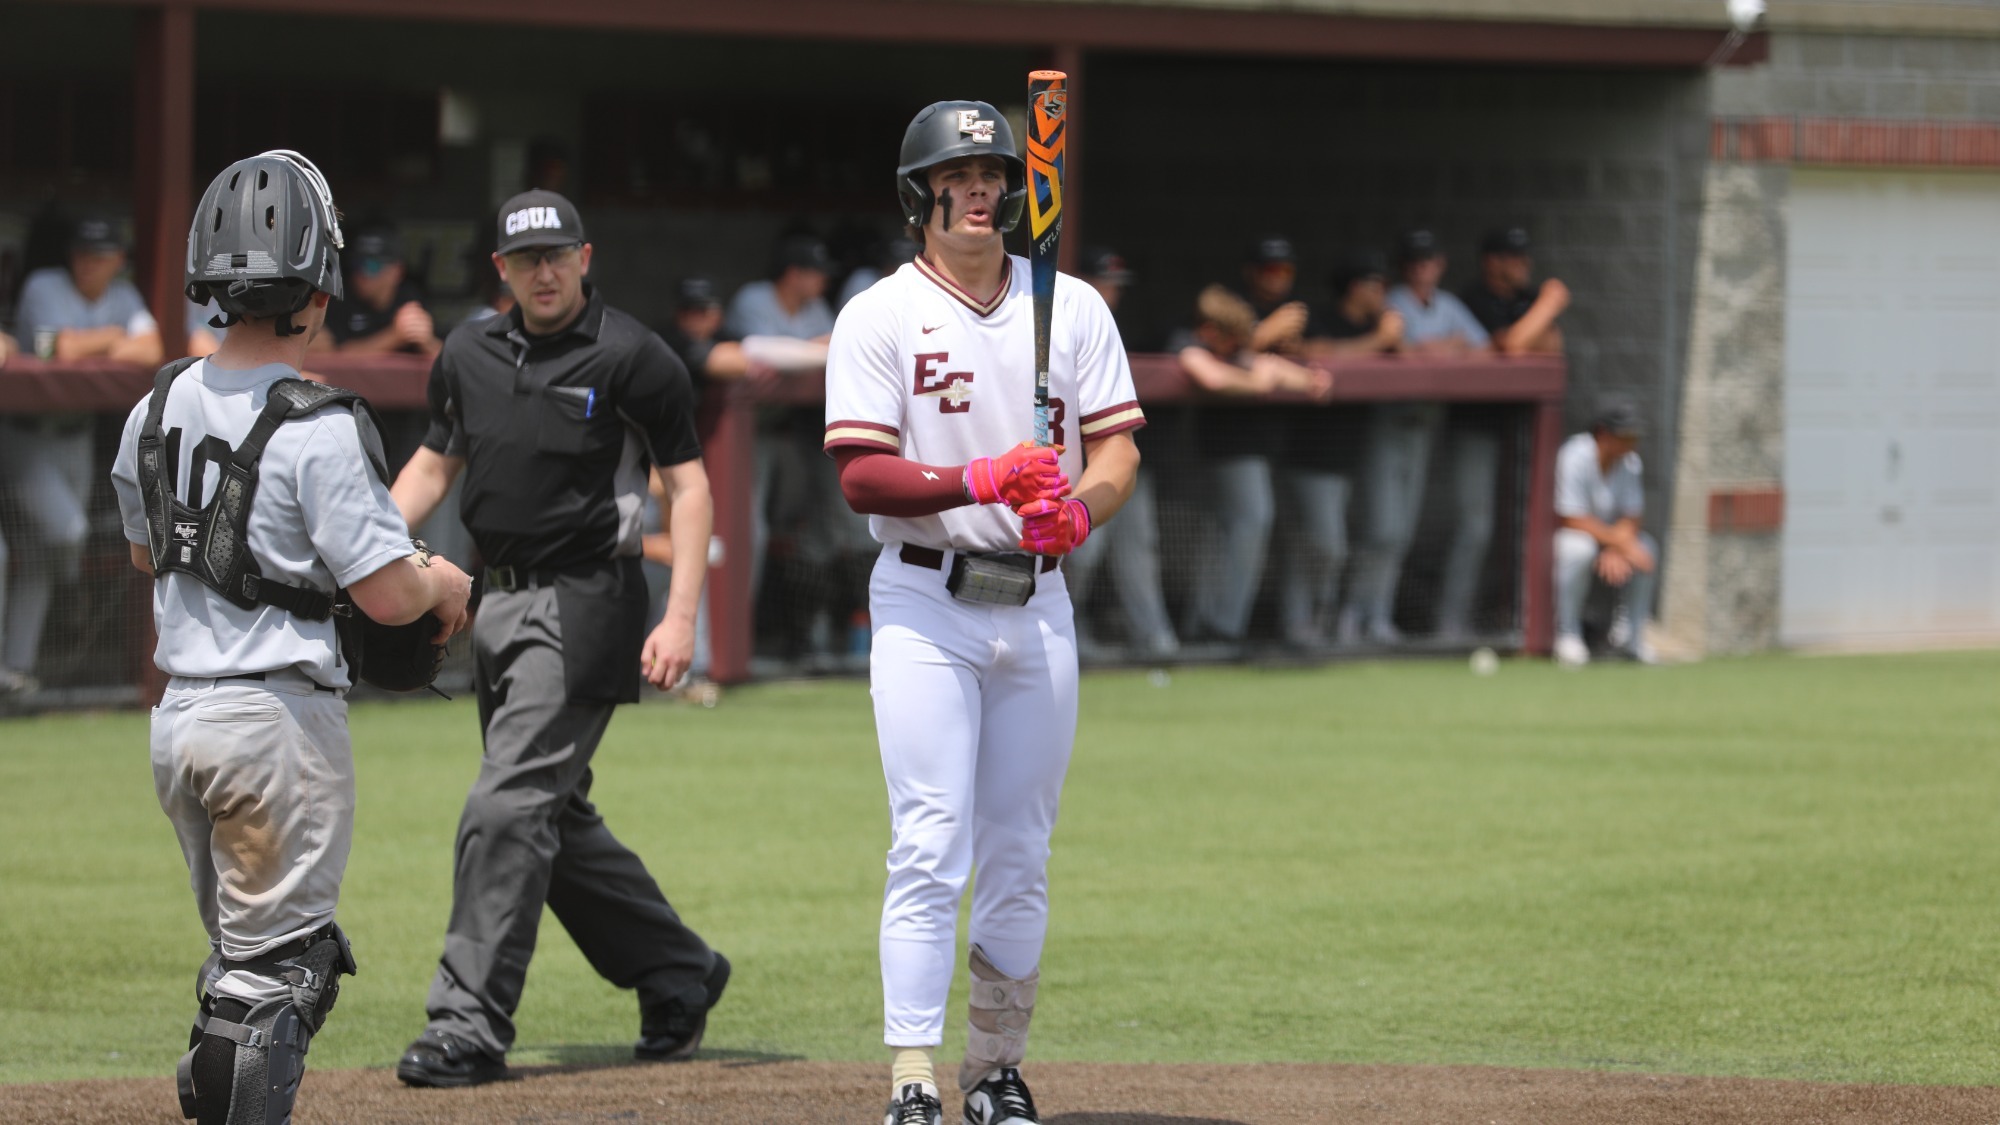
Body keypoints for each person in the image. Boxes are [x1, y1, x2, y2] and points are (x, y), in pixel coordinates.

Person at [109, 149, 473, 1125]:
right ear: (321, 288)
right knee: (283, 975)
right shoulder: (319, 424)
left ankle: (212, 1078)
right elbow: (390, 596)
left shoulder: (153, 407)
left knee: (244, 963)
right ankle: (229, 1088)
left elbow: (152, 562)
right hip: (274, 722)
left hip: (178, 720)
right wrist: (446, 579)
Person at [824, 99, 1144, 1125]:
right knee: (929, 839)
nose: (978, 188)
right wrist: (985, 478)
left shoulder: (1075, 307)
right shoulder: (877, 313)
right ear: (918, 194)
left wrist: (1077, 515)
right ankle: (911, 1076)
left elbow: (1119, 451)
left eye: (992, 173)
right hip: (924, 603)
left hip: (1037, 606)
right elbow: (862, 478)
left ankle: (995, 1068)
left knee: (1020, 846)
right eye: (955, 175)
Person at [388, 189, 727, 1086]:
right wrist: (371, 553)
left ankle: (466, 1022)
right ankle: (676, 968)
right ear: (500, 268)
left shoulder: (634, 357)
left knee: (504, 809)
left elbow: (687, 490)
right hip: (495, 607)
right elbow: (433, 463)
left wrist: (682, 612)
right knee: (553, 818)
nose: (544, 271)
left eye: (558, 255)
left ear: (586, 257)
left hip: (586, 603)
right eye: (525, 259)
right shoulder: (466, 351)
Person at [3, 215, 165, 694]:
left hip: (76, 437)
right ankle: (68, 602)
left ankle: (15, 670)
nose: (87, 264)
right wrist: (114, 339)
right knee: (66, 534)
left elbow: (154, 345)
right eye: (80, 254)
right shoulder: (45, 285)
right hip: (25, 436)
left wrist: (96, 342)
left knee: (38, 558)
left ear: (117, 260)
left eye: (98, 256)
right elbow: (58, 349)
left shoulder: (123, 295)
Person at [1346, 230, 1491, 645]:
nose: (1422, 268)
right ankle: (1351, 615)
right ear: (1404, 266)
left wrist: (1437, 347)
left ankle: (1378, 618)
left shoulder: (1447, 305)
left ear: (1440, 263)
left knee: (1402, 531)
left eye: (1429, 260)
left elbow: (1483, 349)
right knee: (1380, 528)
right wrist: (1447, 348)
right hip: (1386, 424)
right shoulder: (1390, 302)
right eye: (1414, 261)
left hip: (1423, 426)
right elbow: (1399, 350)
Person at [1176, 283, 1330, 649]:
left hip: (1244, 456)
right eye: (1233, 339)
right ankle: (1217, 628)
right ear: (1212, 331)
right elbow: (1211, 376)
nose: (1239, 345)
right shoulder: (1188, 342)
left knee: (1231, 534)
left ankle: (1214, 626)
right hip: (1208, 457)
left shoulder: (1239, 352)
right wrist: (1258, 382)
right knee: (1242, 526)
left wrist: (1310, 379)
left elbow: (1276, 368)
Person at [1281, 255, 1402, 648]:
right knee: (1322, 545)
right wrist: (1379, 341)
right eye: (1375, 284)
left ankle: (1329, 624)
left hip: (1358, 454)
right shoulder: (1321, 316)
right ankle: (1299, 626)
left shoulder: (1380, 325)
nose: (1383, 294)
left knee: (1364, 538)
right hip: (1313, 454)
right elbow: (1313, 351)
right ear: (1355, 287)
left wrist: (1393, 339)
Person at [1063, 247, 1177, 659]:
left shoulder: (1121, 324)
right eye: (1103, 282)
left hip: (1122, 455)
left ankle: (1153, 634)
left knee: (1139, 548)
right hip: (1073, 464)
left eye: (1116, 285)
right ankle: (1070, 629)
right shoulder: (1062, 320)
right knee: (1081, 552)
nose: (1110, 292)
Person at [1553, 397, 1658, 666]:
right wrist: (1620, 543)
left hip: (1610, 539)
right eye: (1625, 434)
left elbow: (1632, 516)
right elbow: (1570, 517)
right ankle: (1567, 633)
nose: (1632, 441)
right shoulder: (1574, 455)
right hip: (1572, 536)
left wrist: (1617, 547)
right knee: (1579, 548)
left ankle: (1631, 638)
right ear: (1602, 432)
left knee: (1646, 549)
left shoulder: (1631, 461)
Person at [315, 227, 441, 357]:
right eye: (356, 263)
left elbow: (446, 361)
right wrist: (394, 336)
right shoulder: (339, 298)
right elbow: (336, 355)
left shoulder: (411, 299)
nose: (361, 273)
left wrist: (428, 343)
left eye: (372, 265)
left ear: (397, 271)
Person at [1461, 226, 1570, 356]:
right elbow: (1510, 346)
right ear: (1492, 262)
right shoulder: (1476, 297)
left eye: (1526, 255)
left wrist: (1525, 339)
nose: (1526, 262)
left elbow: (1554, 344)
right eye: (1515, 256)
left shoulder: (1528, 295)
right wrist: (1548, 304)